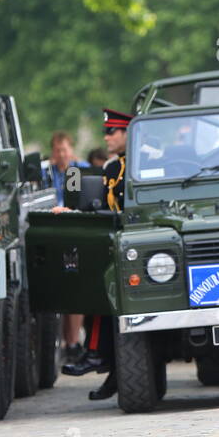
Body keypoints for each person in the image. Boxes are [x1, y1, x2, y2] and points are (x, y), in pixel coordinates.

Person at [61, 108, 133, 400]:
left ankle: (95, 353)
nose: (107, 137)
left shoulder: (145, 163)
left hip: (138, 244)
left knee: (107, 291)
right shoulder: (112, 168)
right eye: (106, 132)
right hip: (115, 242)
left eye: (112, 132)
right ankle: (105, 362)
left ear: (128, 134)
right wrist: (75, 211)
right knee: (89, 283)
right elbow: (103, 205)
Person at [45, 130, 91, 358]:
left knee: (73, 287)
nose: (61, 155)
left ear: (70, 150)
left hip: (72, 233)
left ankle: (73, 341)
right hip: (52, 234)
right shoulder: (47, 172)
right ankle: (62, 342)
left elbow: (75, 202)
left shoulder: (76, 170)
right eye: (57, 150)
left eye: (64, 150)